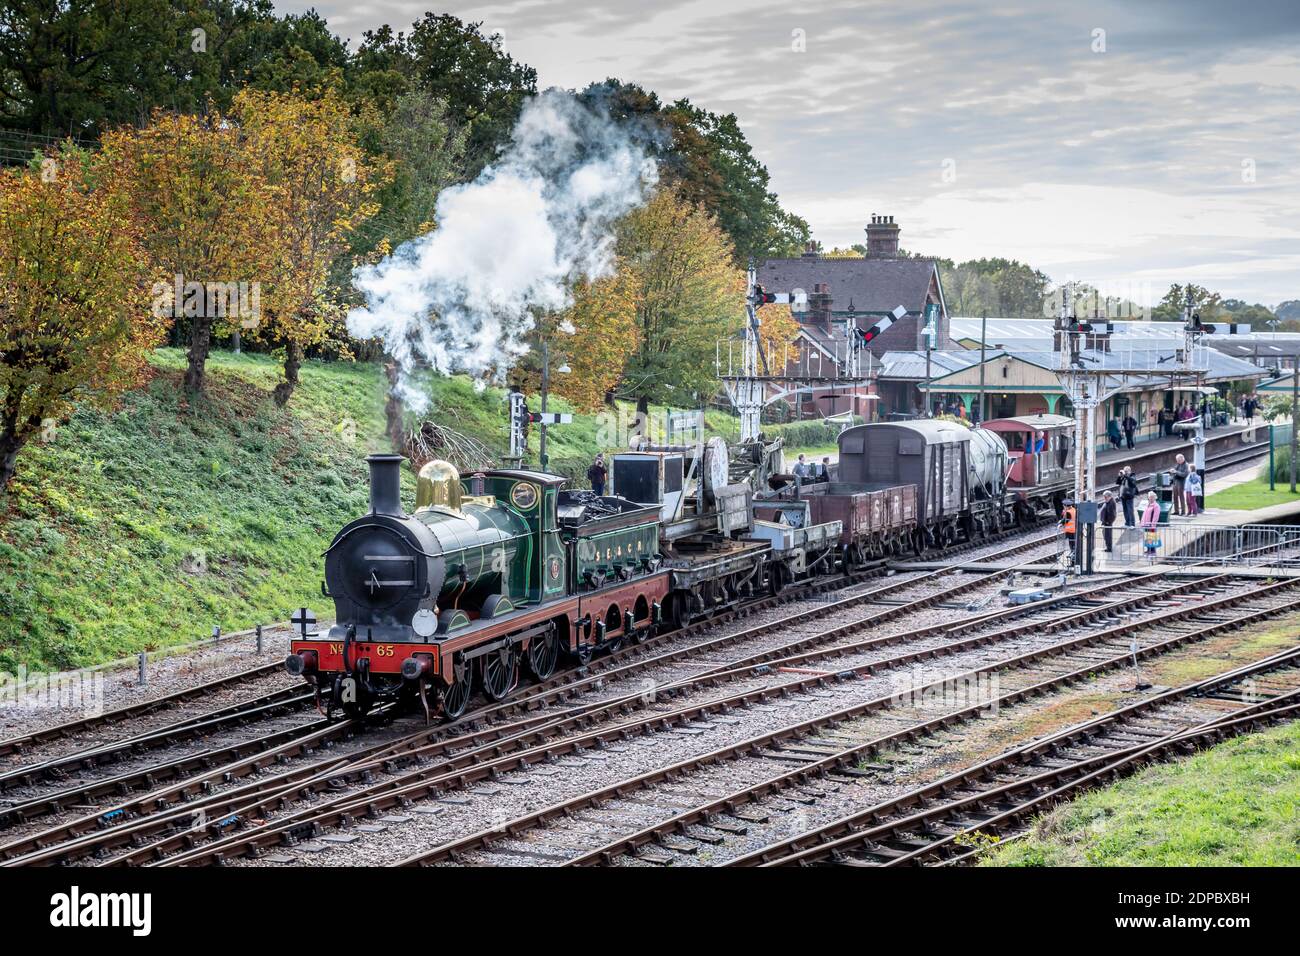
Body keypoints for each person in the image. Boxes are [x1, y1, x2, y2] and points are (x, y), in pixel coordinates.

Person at [1140, 491, 1161, 556]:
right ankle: (1148, 550)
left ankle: (1152, 551)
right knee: (1147, 537)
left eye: (1152, 497)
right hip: (1146, 524)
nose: (1151, 498)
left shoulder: (1156, 506)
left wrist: (1153, 525)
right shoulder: (1148, 505)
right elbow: (1144, 514)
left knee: (1151, 538)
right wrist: (1142, 523)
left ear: (1155, 498)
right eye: (1150, 497)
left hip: (1151, 524)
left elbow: (1155, 516)